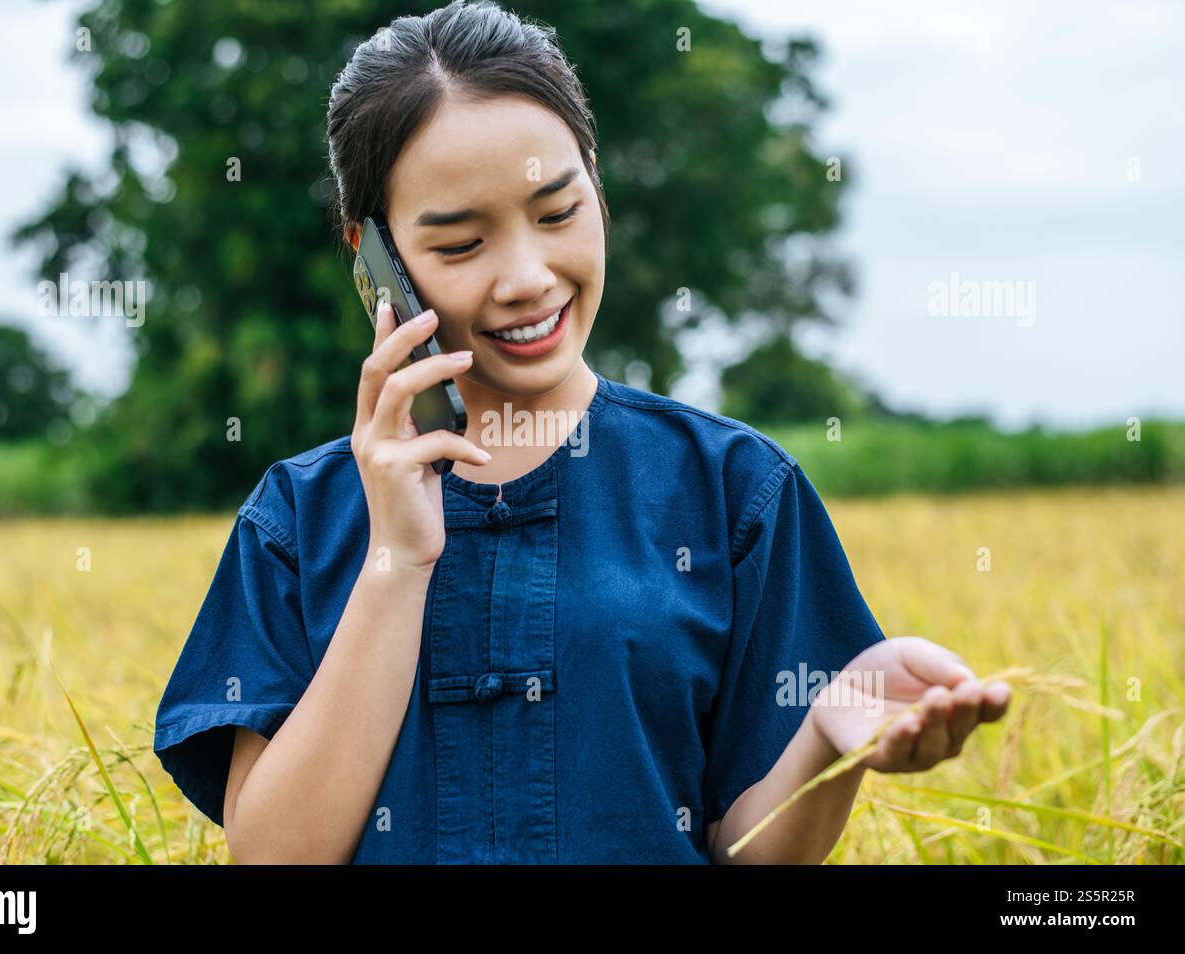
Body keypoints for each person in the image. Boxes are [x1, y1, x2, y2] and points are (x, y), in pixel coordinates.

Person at [153, 0, 1010, 864]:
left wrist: (830, 733)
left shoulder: (735, 490)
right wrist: (396, 563)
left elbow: (747, 854)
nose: (527, 278)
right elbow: (274, 857)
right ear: (376, 265)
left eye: (557, 213)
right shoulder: (298, 521)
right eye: (459, 245)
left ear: (598, 191)